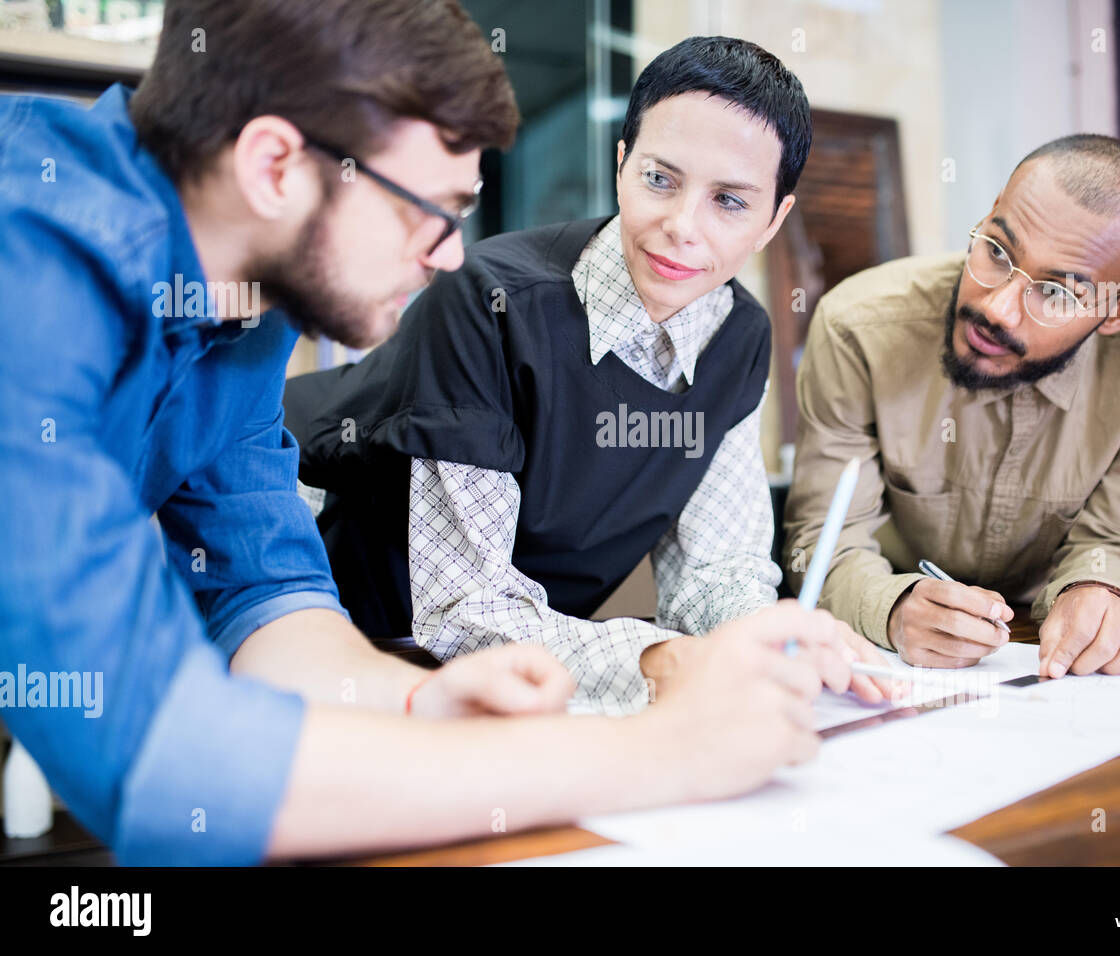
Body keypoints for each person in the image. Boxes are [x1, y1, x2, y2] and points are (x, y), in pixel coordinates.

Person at [0, 0, 863, 865]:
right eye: (431, 208)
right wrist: (664, 752)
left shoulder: (249, 309)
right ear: (273, 165)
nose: (451, 254)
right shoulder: (26, 265)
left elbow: (263, 597)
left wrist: (409, 702)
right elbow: (170, 766)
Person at [286, 36, 894, 713]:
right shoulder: (491, 300)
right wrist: (665, 660)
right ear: (621, 165)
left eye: (729, 201)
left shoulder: (739, 337)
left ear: (773, 221)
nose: (680, 226)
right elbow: (465, 613)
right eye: (660, 179)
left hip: (514, 677)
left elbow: (715, 573)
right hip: (345, 635)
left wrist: (773, 639)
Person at [784, 134, 1120, 679]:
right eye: (998, 251)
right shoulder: (857, 324)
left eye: (1057, 293)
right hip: (890, 649)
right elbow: (824, 540)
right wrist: (889, 608)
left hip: (1052, 654)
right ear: (988, 217)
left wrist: (1099, 588)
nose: (998, 310)